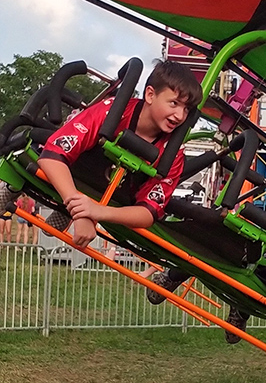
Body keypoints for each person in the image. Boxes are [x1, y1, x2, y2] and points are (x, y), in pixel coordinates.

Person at [36, 60, 203, 249]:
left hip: (118, 197)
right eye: (174, 103)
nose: (180, 116)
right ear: (150, 94)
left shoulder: (174, 153)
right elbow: (52, 156)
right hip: (77, 171)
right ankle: (19, 189)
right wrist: (79, 211)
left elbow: (148, 212)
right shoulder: (111, 110)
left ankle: (74, 206)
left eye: (186, 109)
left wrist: (97, 212)